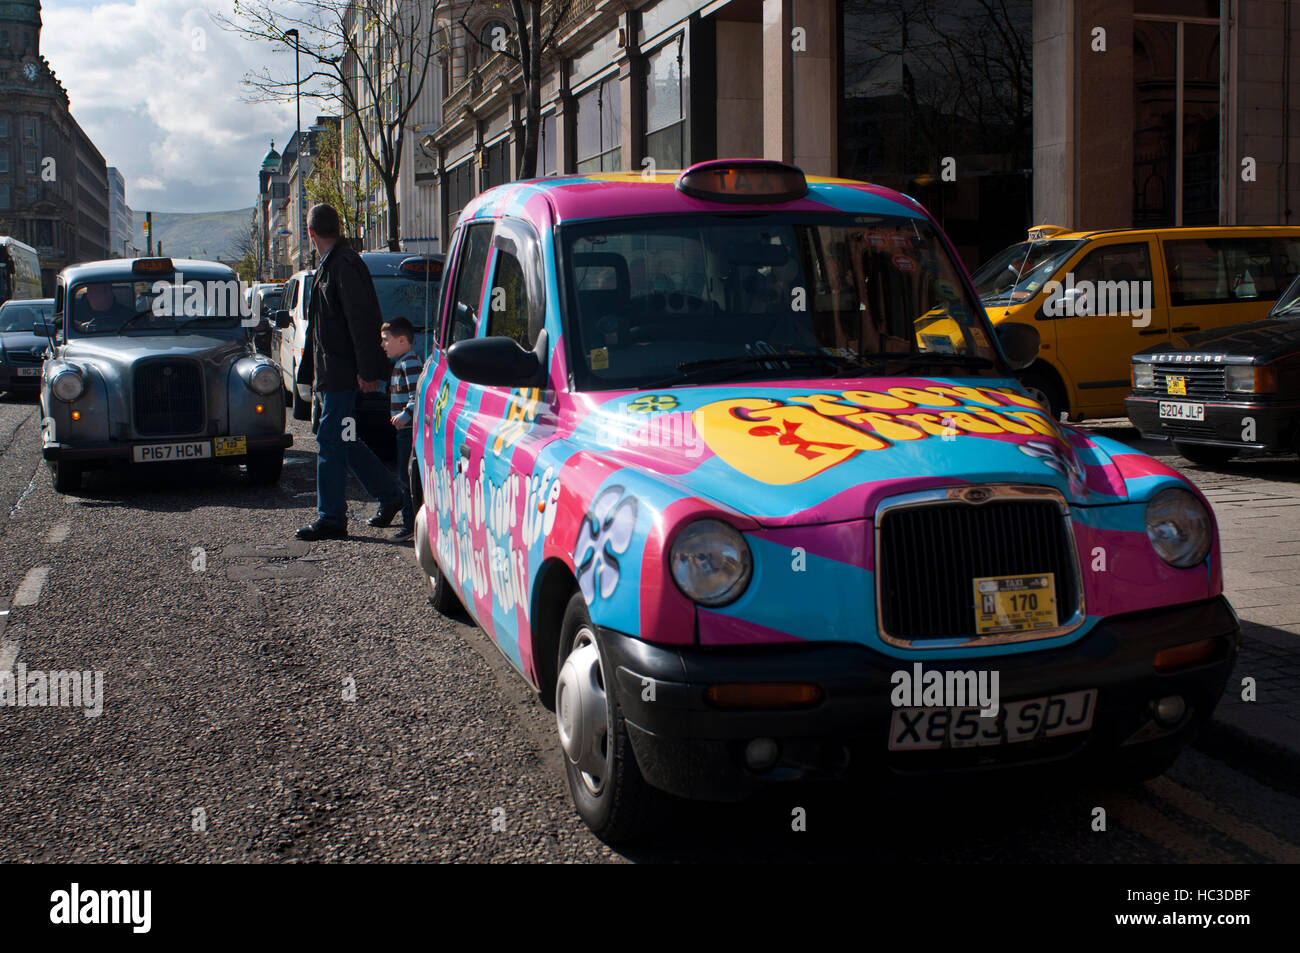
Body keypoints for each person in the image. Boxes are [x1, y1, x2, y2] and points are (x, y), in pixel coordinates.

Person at [295, 204, 404, 541]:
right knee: (343, 436)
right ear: (337, 229)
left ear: (311, 234)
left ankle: (331, 517)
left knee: (331, 438)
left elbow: (362, 321)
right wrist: (310, 375)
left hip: (343, 373)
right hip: (333, 373)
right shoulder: (332, 265)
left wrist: (367, 370)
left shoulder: (343, 264)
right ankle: (390, 494)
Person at [381, 317, 424, 542]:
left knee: (406, 478)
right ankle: (411, 523)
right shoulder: (403, 362)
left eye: (386, 340)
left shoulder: (410, 363)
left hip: (408, 430)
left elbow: (417, 394)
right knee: (404, 477)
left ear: (401, 340)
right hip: (403, 430)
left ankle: (409, 525)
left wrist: (405, 416)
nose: (383, 344)